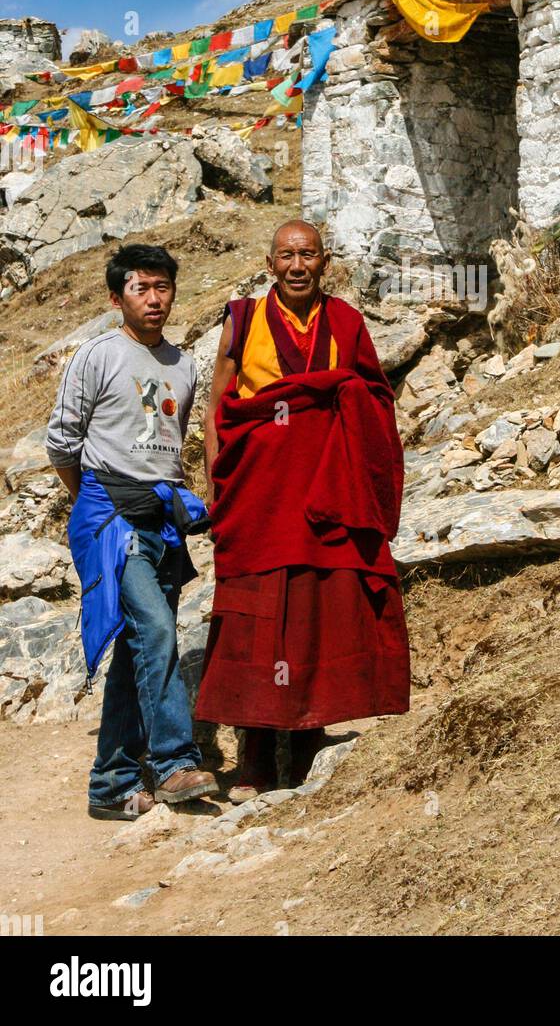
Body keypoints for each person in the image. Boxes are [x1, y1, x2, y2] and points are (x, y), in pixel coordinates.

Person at [195, 219, 410, 801]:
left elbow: (376, 398)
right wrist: (220, 484)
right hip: (259, 494)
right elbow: (218, 407)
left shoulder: (346, 322)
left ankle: (312, 734)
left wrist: (345, 396)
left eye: (307, 255)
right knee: (256, 609)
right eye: (286, 256)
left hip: (327, 494)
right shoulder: (241, 320)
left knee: (322, 600)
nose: (297, 266)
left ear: (325, 262)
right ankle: (256, 755)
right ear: (270, 264)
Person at [46, 244, 218, 820]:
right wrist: (94, 501)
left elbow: (172, 444)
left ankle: (111, 783)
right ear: (117, 295)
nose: (153, 298)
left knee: (137, 649)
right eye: (141, 288)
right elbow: (61, 442)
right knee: (158, 629)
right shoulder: (97, 355)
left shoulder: (183, 364)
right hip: (109, 519)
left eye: (162, 287)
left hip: (161, 520)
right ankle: (173, 764)